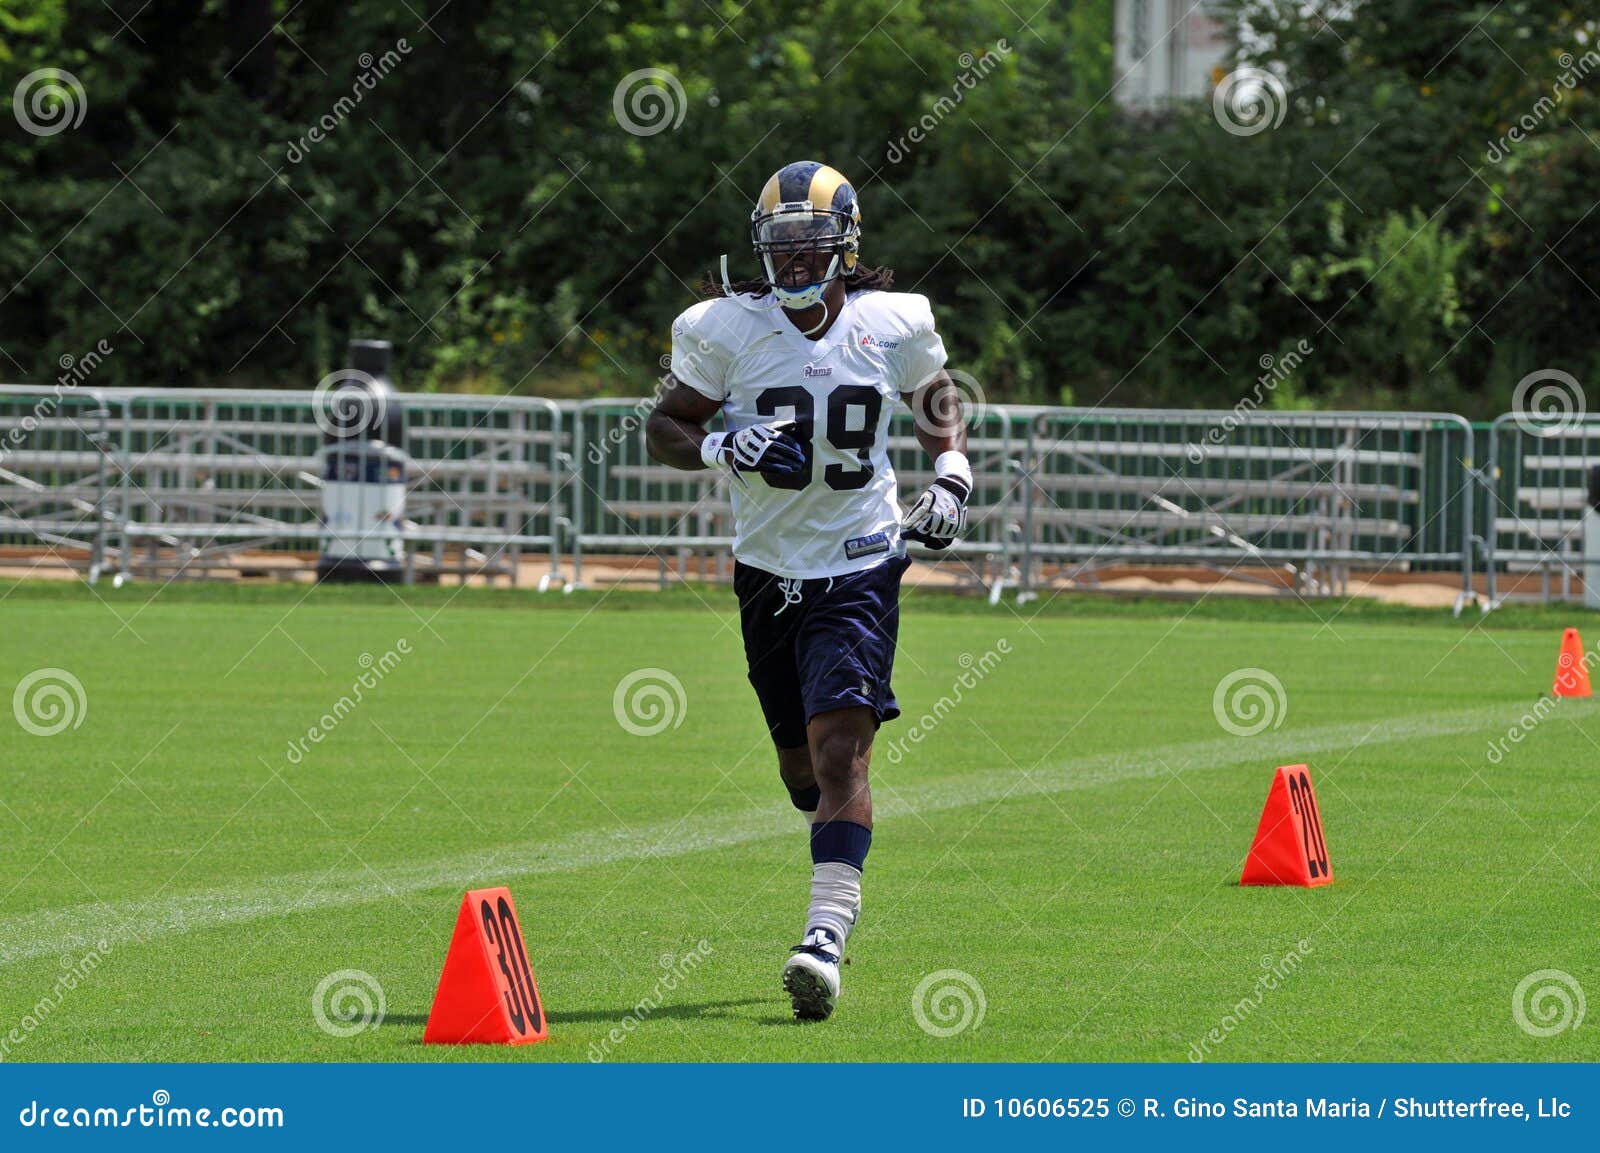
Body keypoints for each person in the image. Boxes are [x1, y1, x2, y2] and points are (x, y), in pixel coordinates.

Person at [644, 160, 969, 1020]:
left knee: (840, 756)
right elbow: (666, 423)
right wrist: (724, 448)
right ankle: (828, 831)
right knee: (800, 769)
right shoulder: (724, 328)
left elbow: (935, 395)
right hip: (766, 570)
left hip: (860, 562)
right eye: (781, 247)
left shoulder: (891, 322)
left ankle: (822, 939)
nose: (793, 263)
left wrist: (953, 476)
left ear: (846, 245)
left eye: (810, 245)